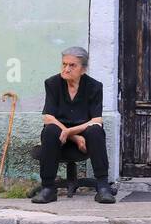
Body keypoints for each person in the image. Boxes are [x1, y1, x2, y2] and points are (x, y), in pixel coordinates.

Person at [32, 46, 115, 204]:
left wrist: (72, 131)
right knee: (50, 131)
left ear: (83, 69)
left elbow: (97, 120)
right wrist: (73, 136)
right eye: (64, 64)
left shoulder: (94, 87)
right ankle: (48, 188)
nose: (66, 69)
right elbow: (48, 117)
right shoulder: (52, 83)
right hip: (59, 138)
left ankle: (103, 187)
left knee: (95, 131)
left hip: (85, 139)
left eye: (72, 65)